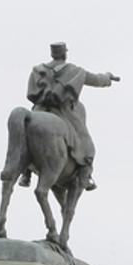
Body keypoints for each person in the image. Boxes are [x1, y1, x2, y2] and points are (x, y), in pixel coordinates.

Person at [24, 42, 119, 191]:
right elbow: (96, 80)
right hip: (63, 112)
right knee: (87, 146)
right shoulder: (75, 71)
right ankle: (85, 177)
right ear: (65, 54)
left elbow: (31, 93)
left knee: (26, 131)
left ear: (52, 54)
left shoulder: (37, 70)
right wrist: (108, 77)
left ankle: (26, 173)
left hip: (39, 110)